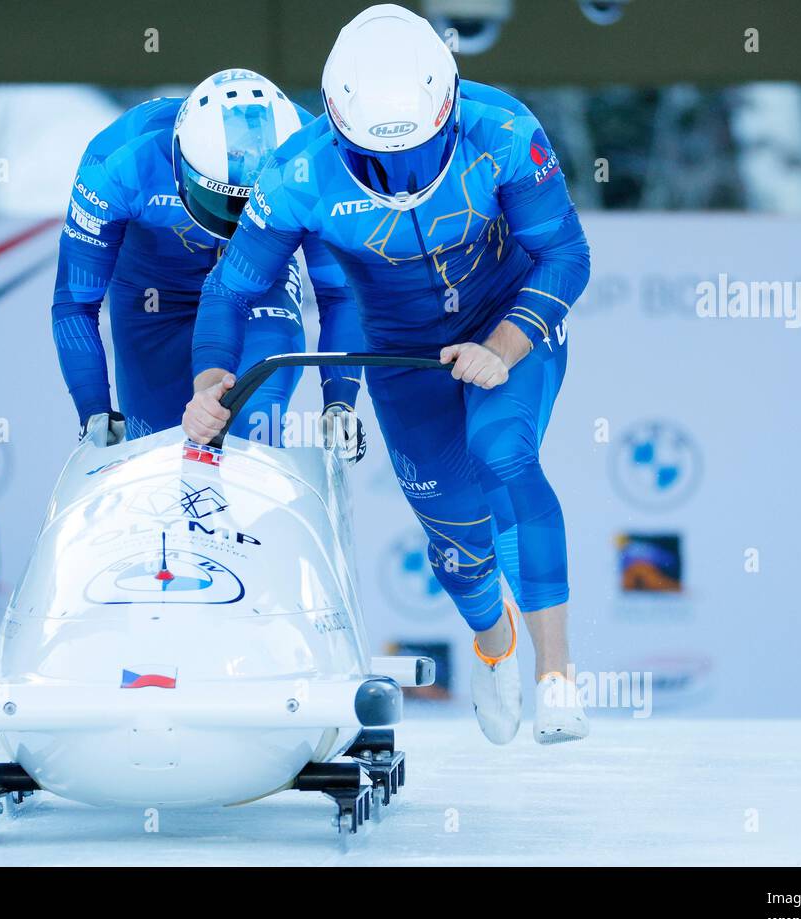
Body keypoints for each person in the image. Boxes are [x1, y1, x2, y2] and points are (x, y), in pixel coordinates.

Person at [184, 4, 591, 745]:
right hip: (404, 357)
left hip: (507, 323)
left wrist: (502, 345)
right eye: (374, 158)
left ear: (449, 107)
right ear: (339, 125)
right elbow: (230, 288)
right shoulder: (298, 173)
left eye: (421, 154)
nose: (400, 179)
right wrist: (210, 379)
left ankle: (556, 675)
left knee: (504, 454)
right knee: (458, 543)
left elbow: (567, 255)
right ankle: (493, 639)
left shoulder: (503, 131)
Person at [52, 68, 365, 453]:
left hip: (257, 286)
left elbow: (340, 293)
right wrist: (94, 410)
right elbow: (76, 300)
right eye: (223, 203)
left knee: (251, 426)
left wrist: (340, 401)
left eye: (251, 207)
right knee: (159, 450)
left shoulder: (314, 158)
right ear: (182, 162)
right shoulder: (120, 159)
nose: (235, 228)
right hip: (153, 297)